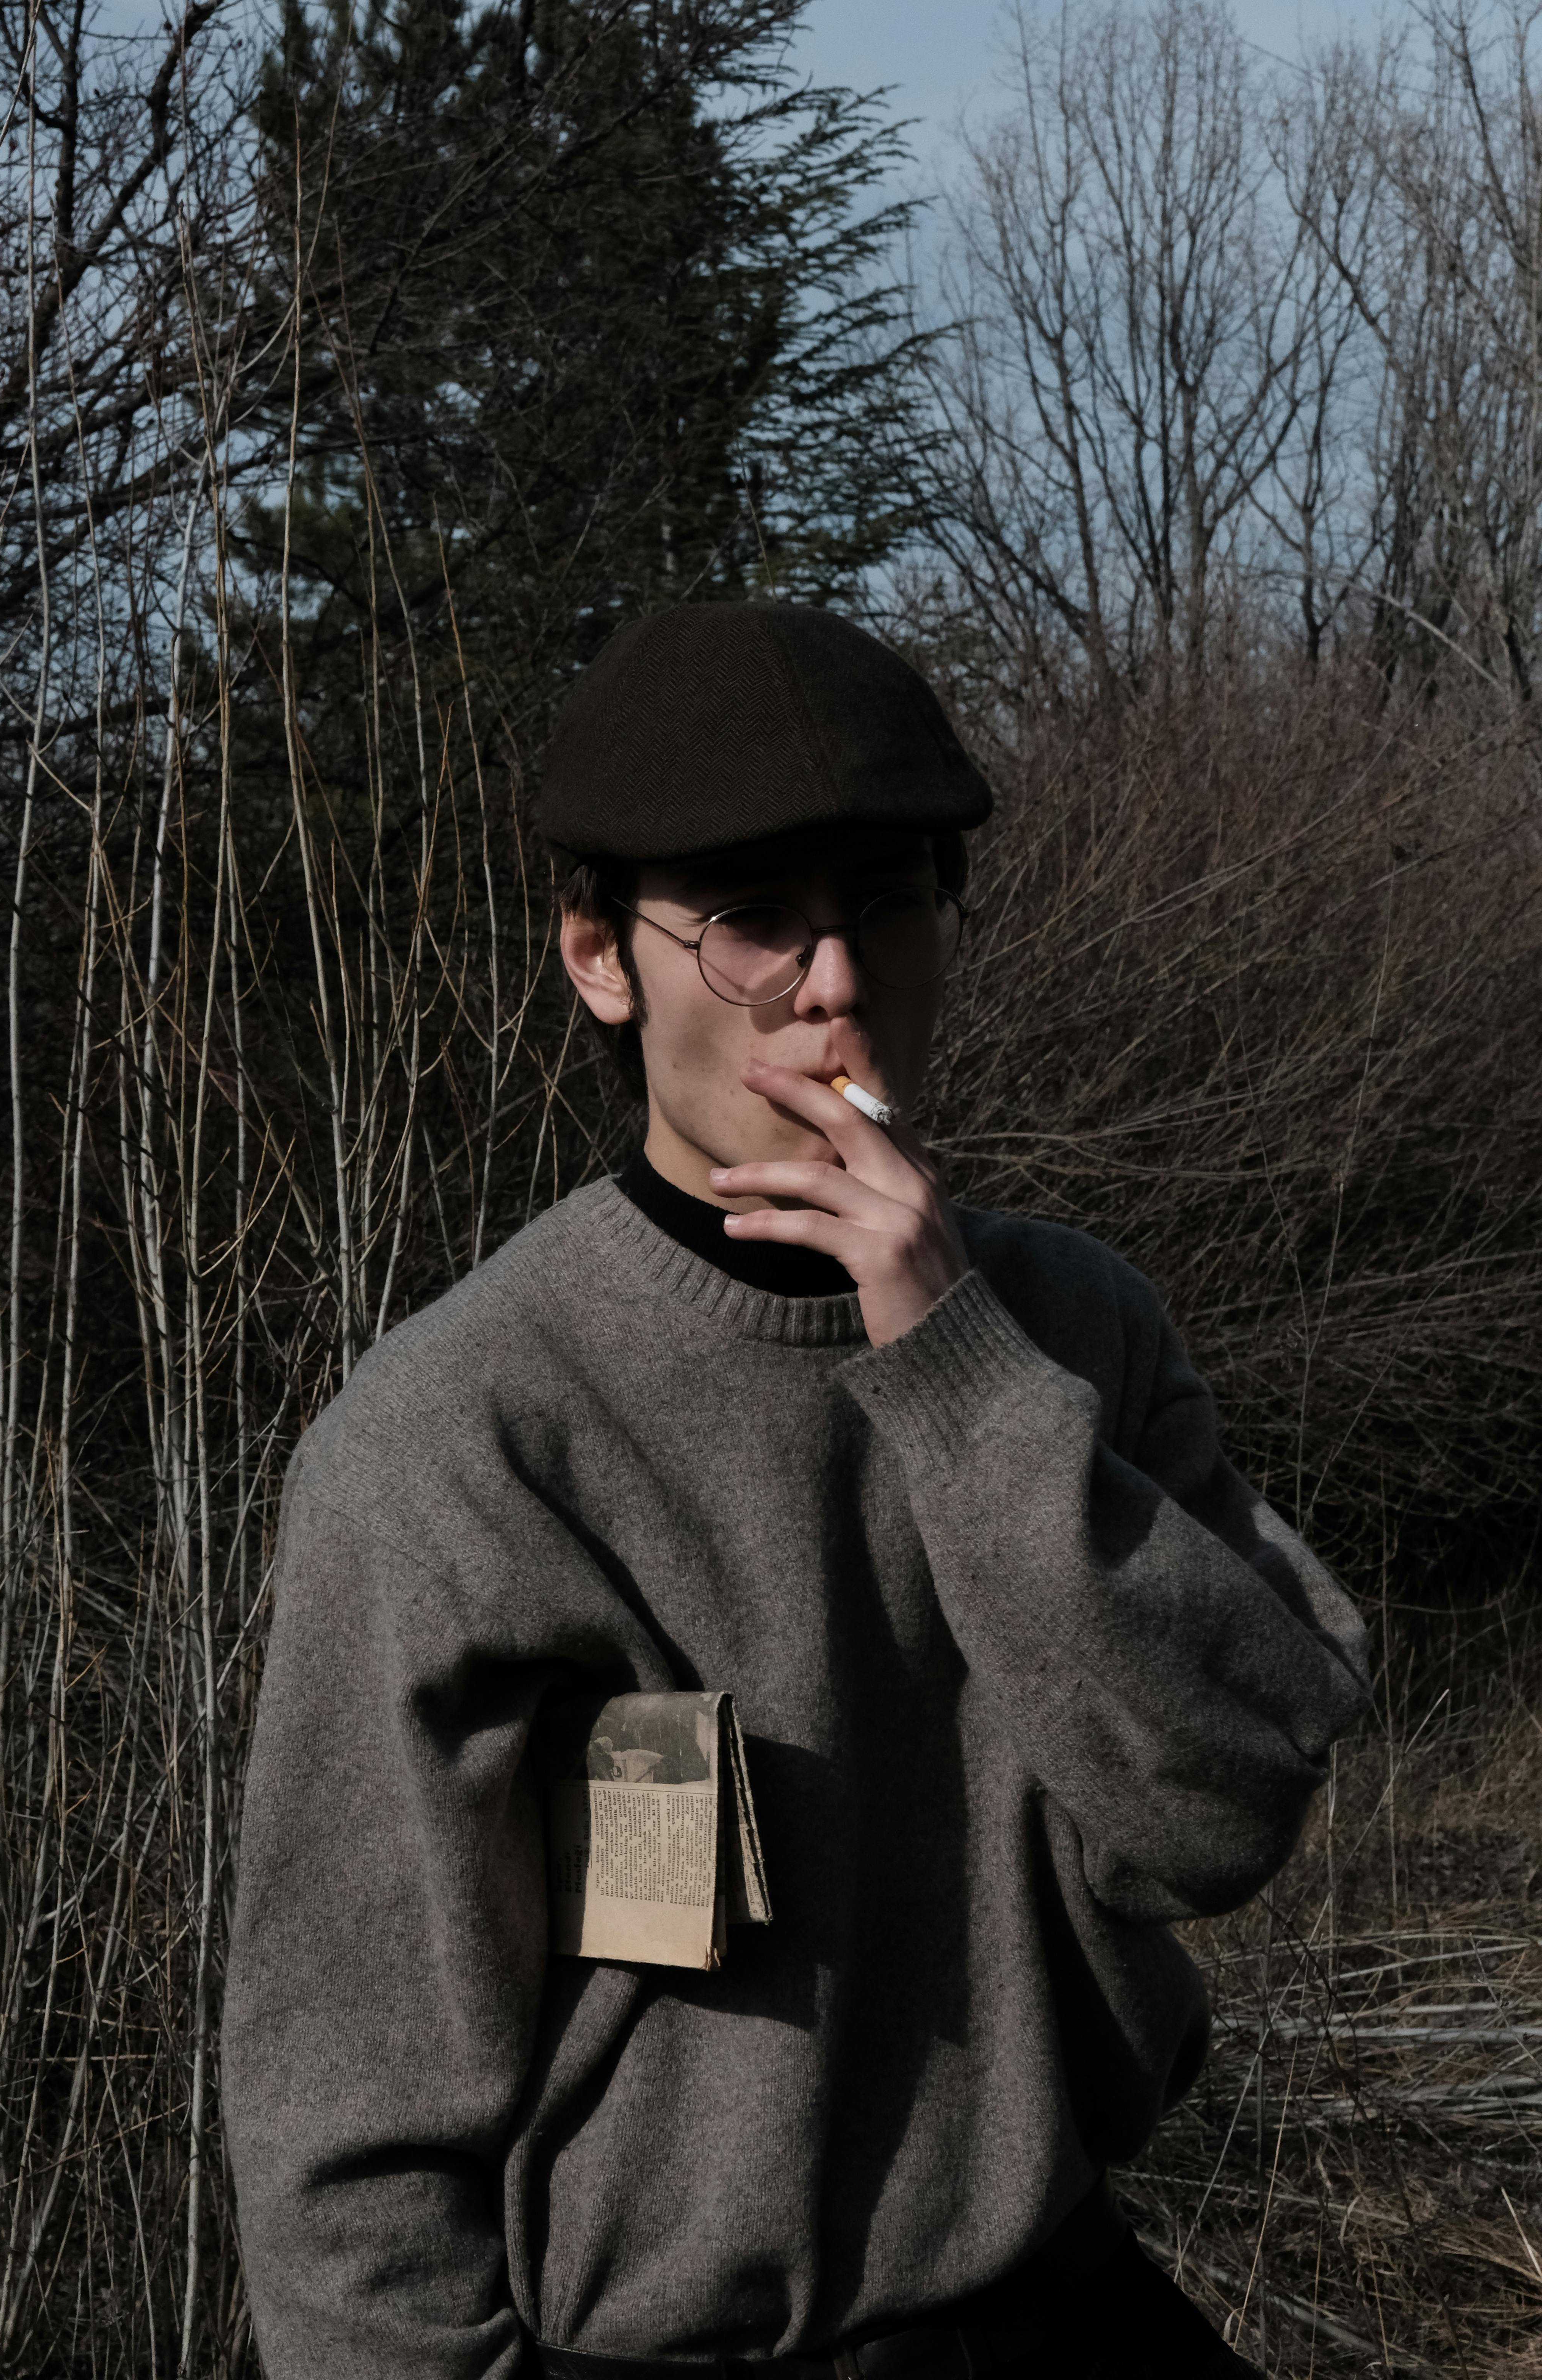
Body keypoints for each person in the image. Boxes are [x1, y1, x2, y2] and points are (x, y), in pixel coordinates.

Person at [222, 602, 1370, 2380]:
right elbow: (344, 2121)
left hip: (1057, 2308)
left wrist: (960, 1373)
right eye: (755, 922)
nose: (834, 983)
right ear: (602, 958)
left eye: (887, 902)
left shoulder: (1070, 1325)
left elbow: (1218, 1815)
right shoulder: (461, 1434)